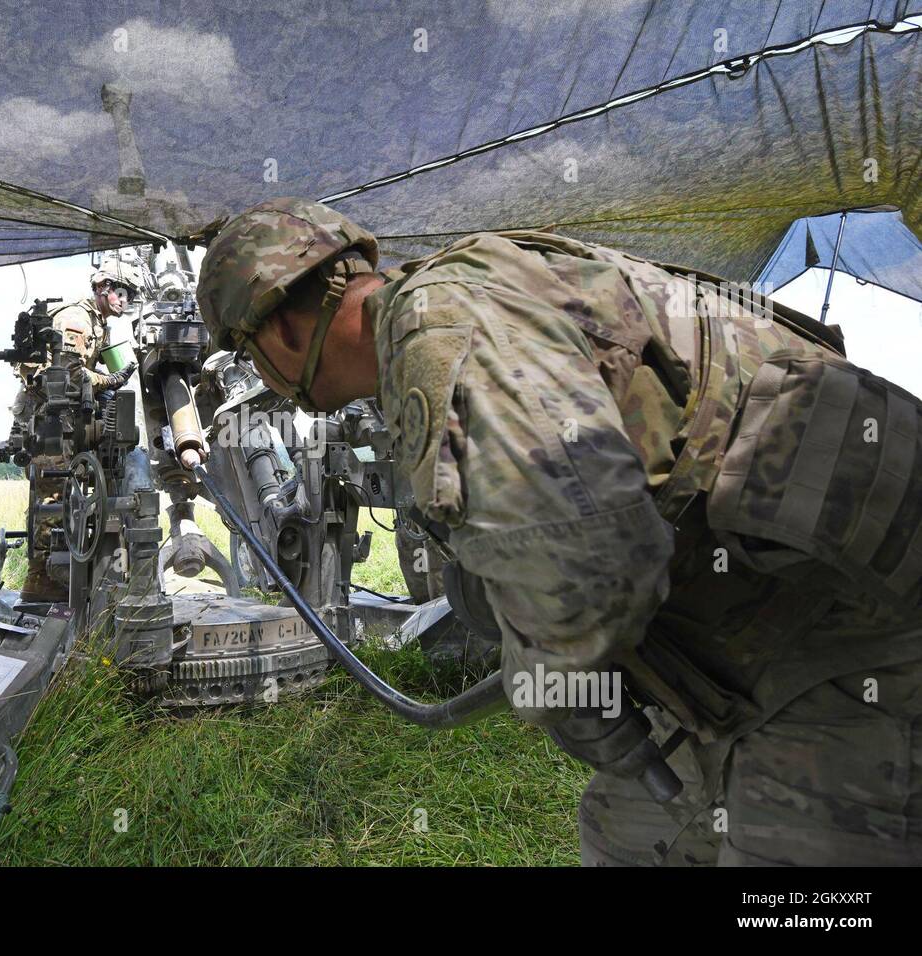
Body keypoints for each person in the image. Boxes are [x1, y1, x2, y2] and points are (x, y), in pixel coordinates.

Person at [196, 198, 922, 866]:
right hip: (760, 648)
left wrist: (550, 680)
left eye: (248, 350)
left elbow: (594, 555)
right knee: (629, 831)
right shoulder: (471, 289)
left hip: (856, 642)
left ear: (279, 330)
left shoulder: (440, 323)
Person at [11, 263, 139, 602]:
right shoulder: (78, 320)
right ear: (102, 288)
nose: (124, 301)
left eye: (128, 296)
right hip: (51, 419)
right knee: (52, 500)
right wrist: (109, 380)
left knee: (61, 498)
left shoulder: (98, 324)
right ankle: (41, 585)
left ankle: (63, 580)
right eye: (121, 292)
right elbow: (67, 374)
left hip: (63, 416)